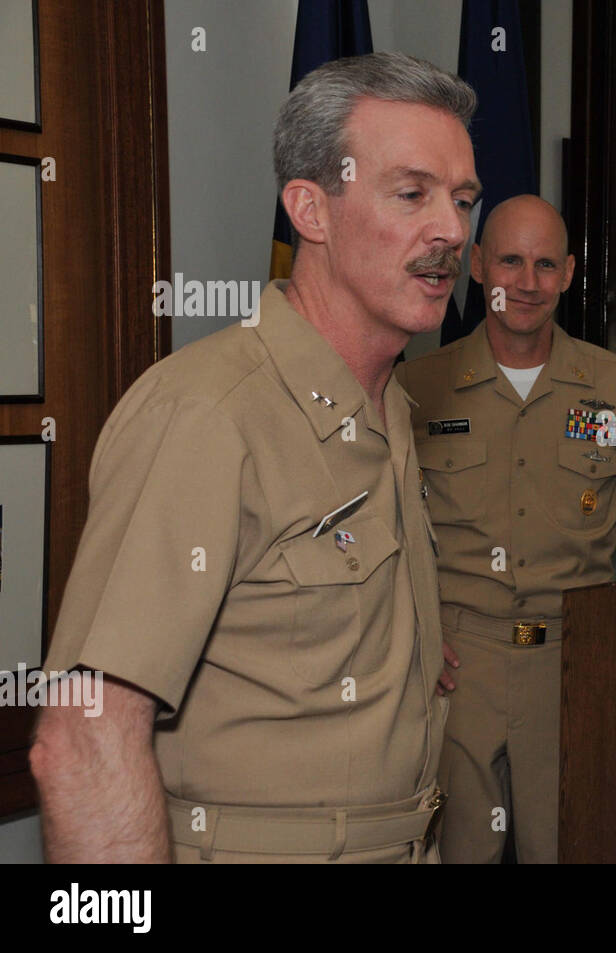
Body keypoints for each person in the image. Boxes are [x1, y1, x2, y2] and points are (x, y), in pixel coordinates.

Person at [29, 52, 480, 863]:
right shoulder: (208, 414)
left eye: (462, 199)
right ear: (310, 209)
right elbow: (81, 741)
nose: (450, 228)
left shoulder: (394, 408)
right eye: (413, 193)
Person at [396, 194, 616, 863]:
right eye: (511, 260)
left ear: (570, 272)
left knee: (575, 848)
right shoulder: (415, 388)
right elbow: (367, 521)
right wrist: (409, 631)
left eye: (546, 264)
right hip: (459, 670)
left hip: (576, 668)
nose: (527, 281)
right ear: (478, 265)